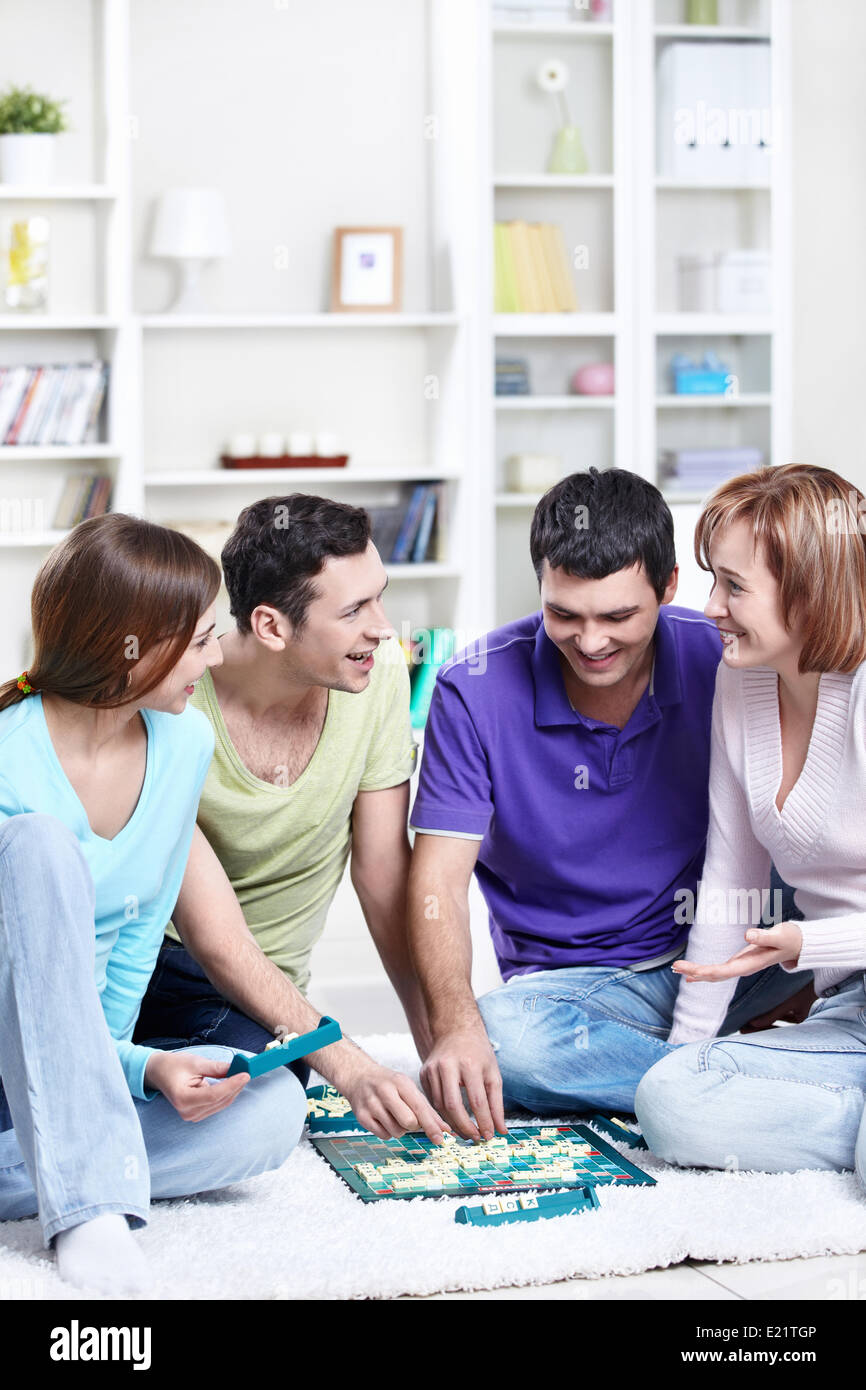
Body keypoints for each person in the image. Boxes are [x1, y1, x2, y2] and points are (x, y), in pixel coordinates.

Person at [407, 468, 814, 1141]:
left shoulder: (724, 654)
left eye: (619, 616)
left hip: (738, 944)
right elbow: (438, 881)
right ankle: (751, 1075)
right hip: (582, 991)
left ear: (670, 587)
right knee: (502, 1044)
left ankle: (716, 1070)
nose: (591, 642)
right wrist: (454, 1028)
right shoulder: (471, 689)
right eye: (563, 614)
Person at [0, 514, 303, 1296]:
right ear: (129, 643)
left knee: (273, 1111)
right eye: (201, 638)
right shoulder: (7, 751)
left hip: (61, 1092)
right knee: (38, 847)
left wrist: (152, 1067)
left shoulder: (183, 747)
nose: (219, 654)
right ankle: (89, 1203)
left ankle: (63, 1171)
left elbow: (102, 1016)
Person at [134, 494, 441, 1105]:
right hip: (151, 966)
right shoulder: (176, 705)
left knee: (268, 1093)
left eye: (379, 596)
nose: (382, 628)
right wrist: (347, 1063)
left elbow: (382, 878)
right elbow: (214, 937)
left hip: (255, 997)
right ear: (272, 625)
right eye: (354, 609)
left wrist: (435, 1042)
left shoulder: (376, 675)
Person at [633, 464, 866, 1187]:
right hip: (852, 1004)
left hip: (831, 966)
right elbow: (730, 879)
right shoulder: (741, 678)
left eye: (735, 587)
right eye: (713, 580)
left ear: (810, 592)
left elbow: (786, 936)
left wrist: (806, 941)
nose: (711, 608)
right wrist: (685, 1052)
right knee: (671, 1097)